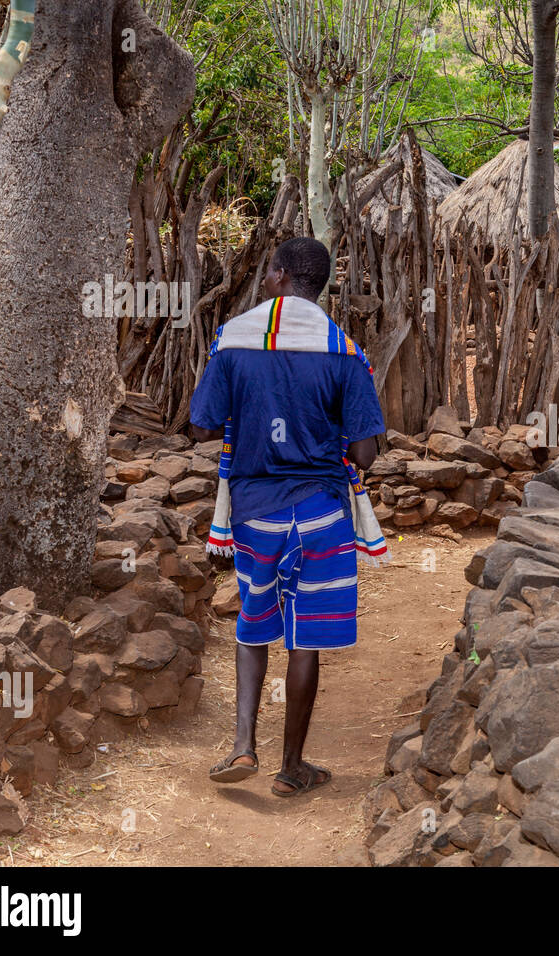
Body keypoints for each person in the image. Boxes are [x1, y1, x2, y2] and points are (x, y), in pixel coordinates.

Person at [189, 237, 384, 796]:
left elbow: (202, 427)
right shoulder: (343, 351)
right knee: (306, 640)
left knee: (253, 626)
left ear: (277, 276)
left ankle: (242, 745)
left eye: (267, 273)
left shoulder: (234, 342)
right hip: (321, 511)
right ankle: (291, 767)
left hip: (254, 511)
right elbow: (367, 452)